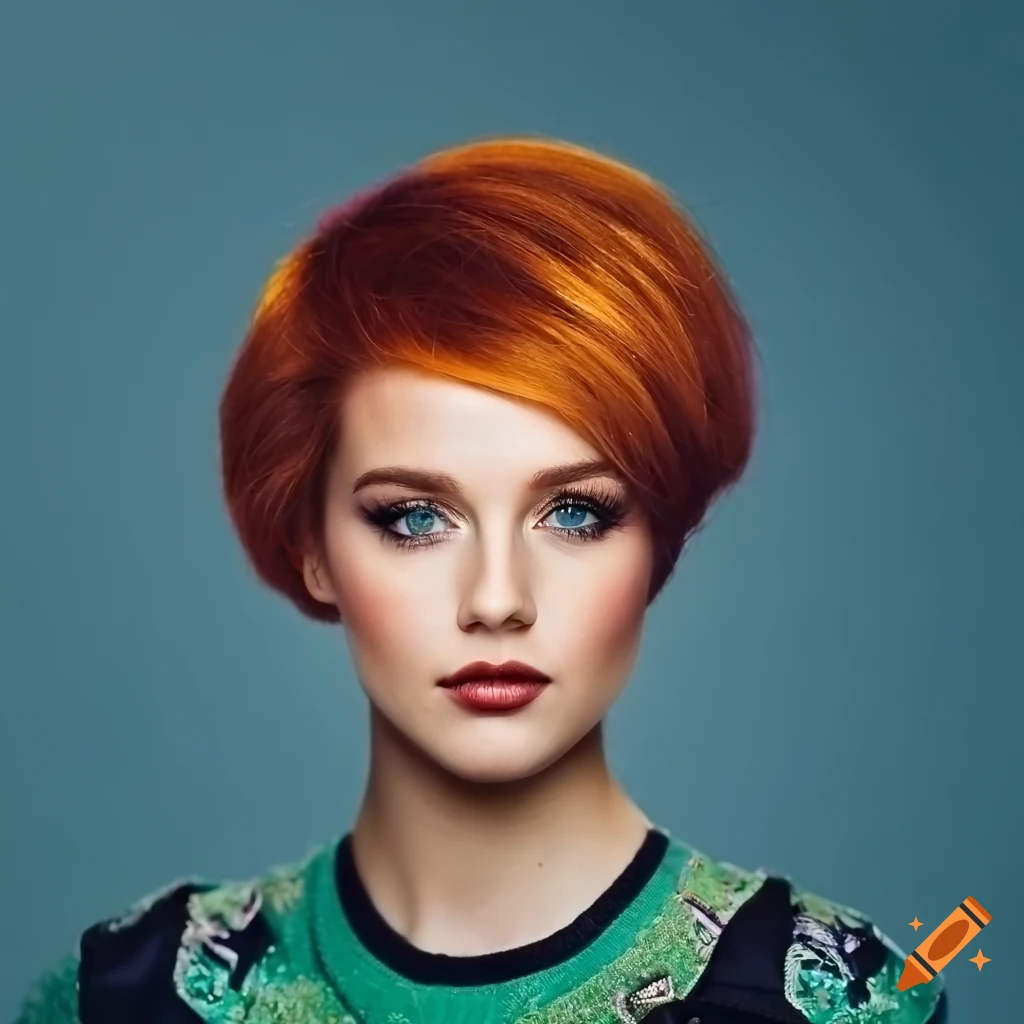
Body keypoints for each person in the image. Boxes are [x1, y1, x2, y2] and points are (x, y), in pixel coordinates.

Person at [15, 137, 948, 1024]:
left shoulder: (829, 997)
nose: (497, 598)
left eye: (576, 513)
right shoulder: (133, 995)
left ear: (657, 538)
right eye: (415, 518)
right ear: (311, 546)